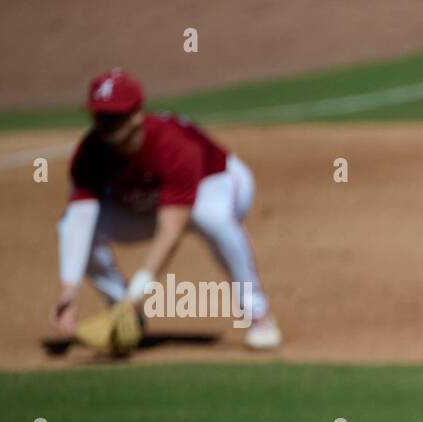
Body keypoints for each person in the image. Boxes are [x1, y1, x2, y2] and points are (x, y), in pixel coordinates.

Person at [51, 69, 281, 350]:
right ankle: (124, 312)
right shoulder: (89, 153)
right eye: (100, 116)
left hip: (217, 183)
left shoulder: (173, 143)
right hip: (148, 202)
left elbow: (171, 230)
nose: (106, 124)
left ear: (137, 115)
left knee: (211, 217)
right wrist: (69, 291)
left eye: (115, 116)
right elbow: (79, 220)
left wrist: (140, 290)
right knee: (75, 228)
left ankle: (258, 313)